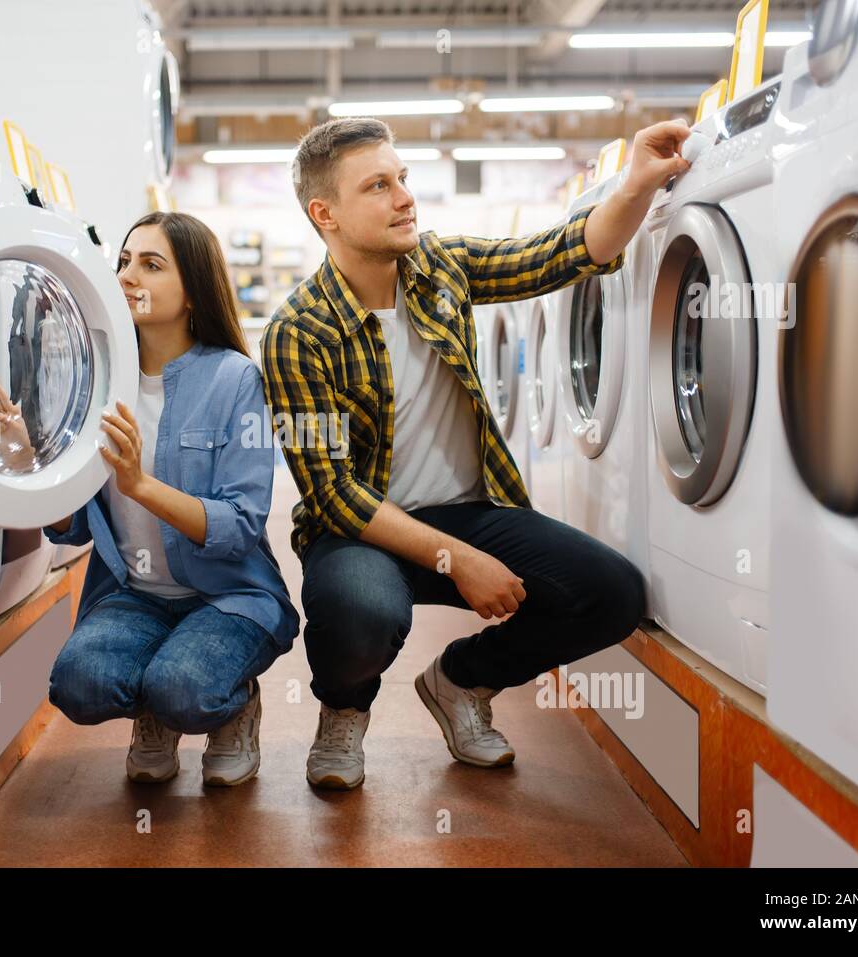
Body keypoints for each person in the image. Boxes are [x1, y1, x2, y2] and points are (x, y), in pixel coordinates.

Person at [262, 116, 691, 789]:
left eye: (402, 179)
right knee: (361, 613)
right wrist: (456, 559)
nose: (405, 196)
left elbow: (565, 251)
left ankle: (461, 681)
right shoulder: (299, 331)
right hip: (362, 531)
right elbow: (333, 495)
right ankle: (344, 708)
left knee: (612, 595)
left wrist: (637, 183)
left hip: (468, 510)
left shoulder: (439, 267)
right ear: (327, 214)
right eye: (379, 186)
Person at [43, 211, 299, 787]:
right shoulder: (96, 376)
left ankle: (229, 706)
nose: (129, 275)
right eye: (125, 261)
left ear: (192, 292)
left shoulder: (234, 378)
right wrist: (37, 469)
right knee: (77, 685)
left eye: (152, 265)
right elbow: (75, 528)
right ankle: (153, 710)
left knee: (185, 687)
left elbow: (238, 525)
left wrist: (141, 486)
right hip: (135, 596)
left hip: (226, 596)